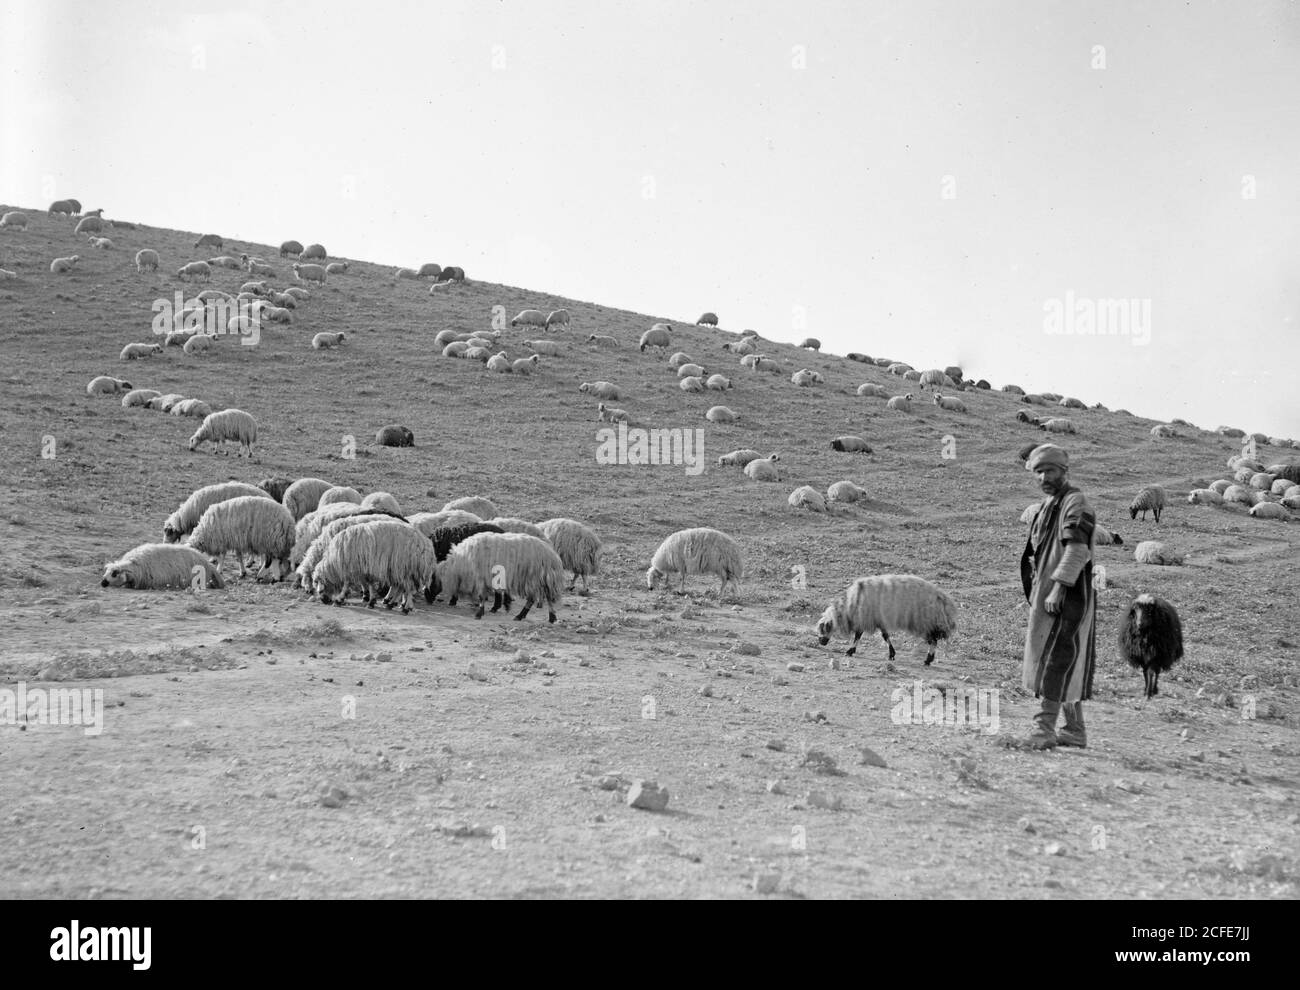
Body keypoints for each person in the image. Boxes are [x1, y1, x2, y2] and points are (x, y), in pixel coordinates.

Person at [1019, 444, 1097, 749]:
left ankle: (1043, 729)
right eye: (1038, 472)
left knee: (1056, 657)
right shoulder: (1049, 504)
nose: (1043, 477)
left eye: (1049, 470)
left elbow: (1078, 549)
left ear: (1064, 471)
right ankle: (1075, 730)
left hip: (1068, 594)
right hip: (1049, 592)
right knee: (1064, 657)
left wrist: (1058, 587)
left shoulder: (1075, 502)